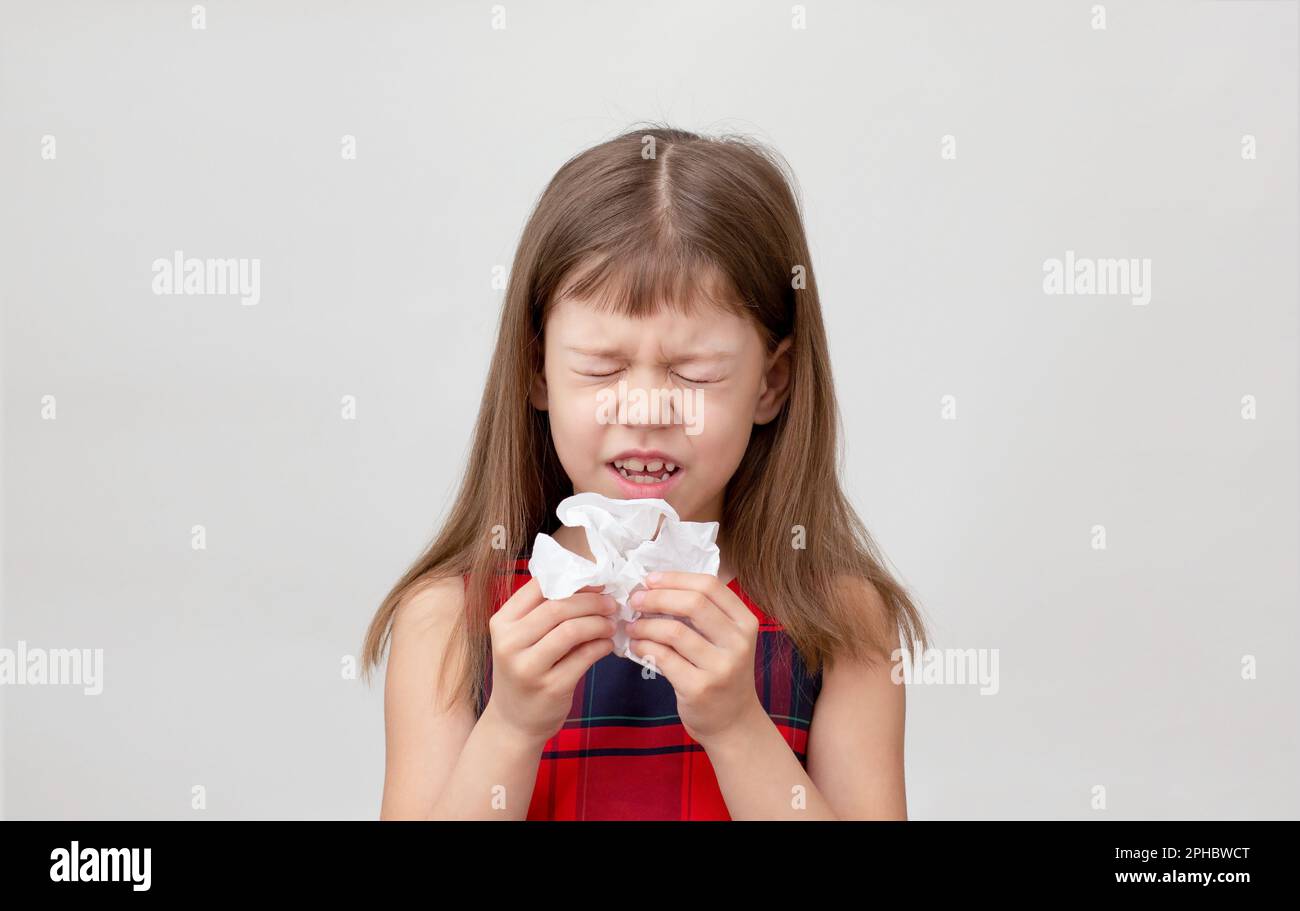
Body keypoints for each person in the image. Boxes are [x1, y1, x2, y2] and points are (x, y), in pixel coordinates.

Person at [361, 124, 929, 820]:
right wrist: (510, 726)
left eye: (695, 373)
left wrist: (735, 726)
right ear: (538, 369)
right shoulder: (450, 620)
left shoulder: (838, 620)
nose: (647, 408)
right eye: (601, 368)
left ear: (771, 383)